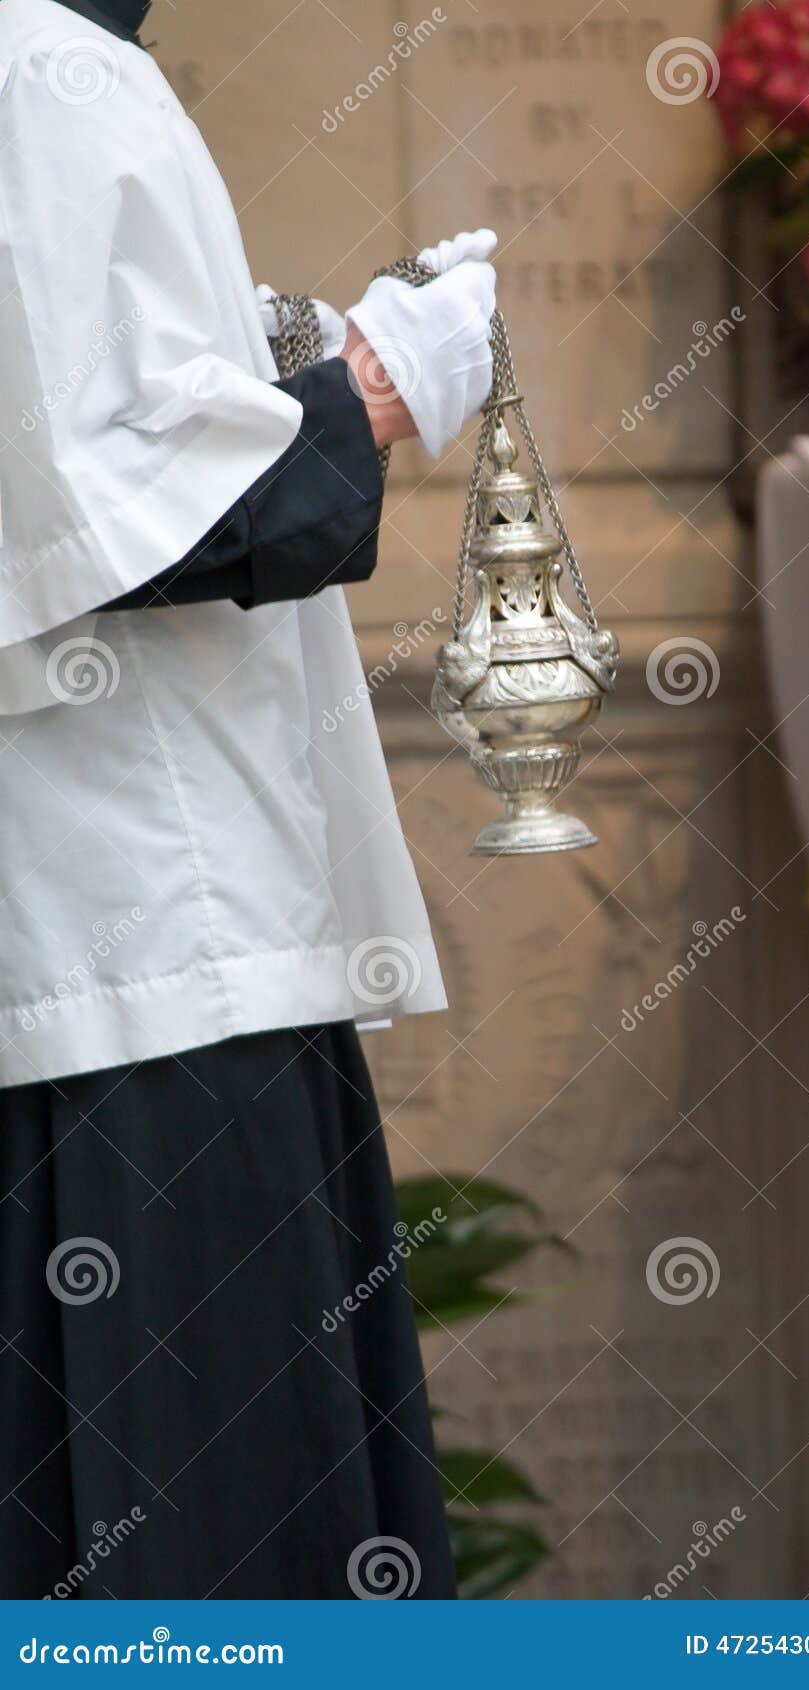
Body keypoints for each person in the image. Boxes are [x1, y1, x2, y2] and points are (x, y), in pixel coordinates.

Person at [0, 0, 497, 1598]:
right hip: (143, 973)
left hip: (115, 957)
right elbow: (120, 508)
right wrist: (374, 387)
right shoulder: (41, 67)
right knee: (216, 1569)